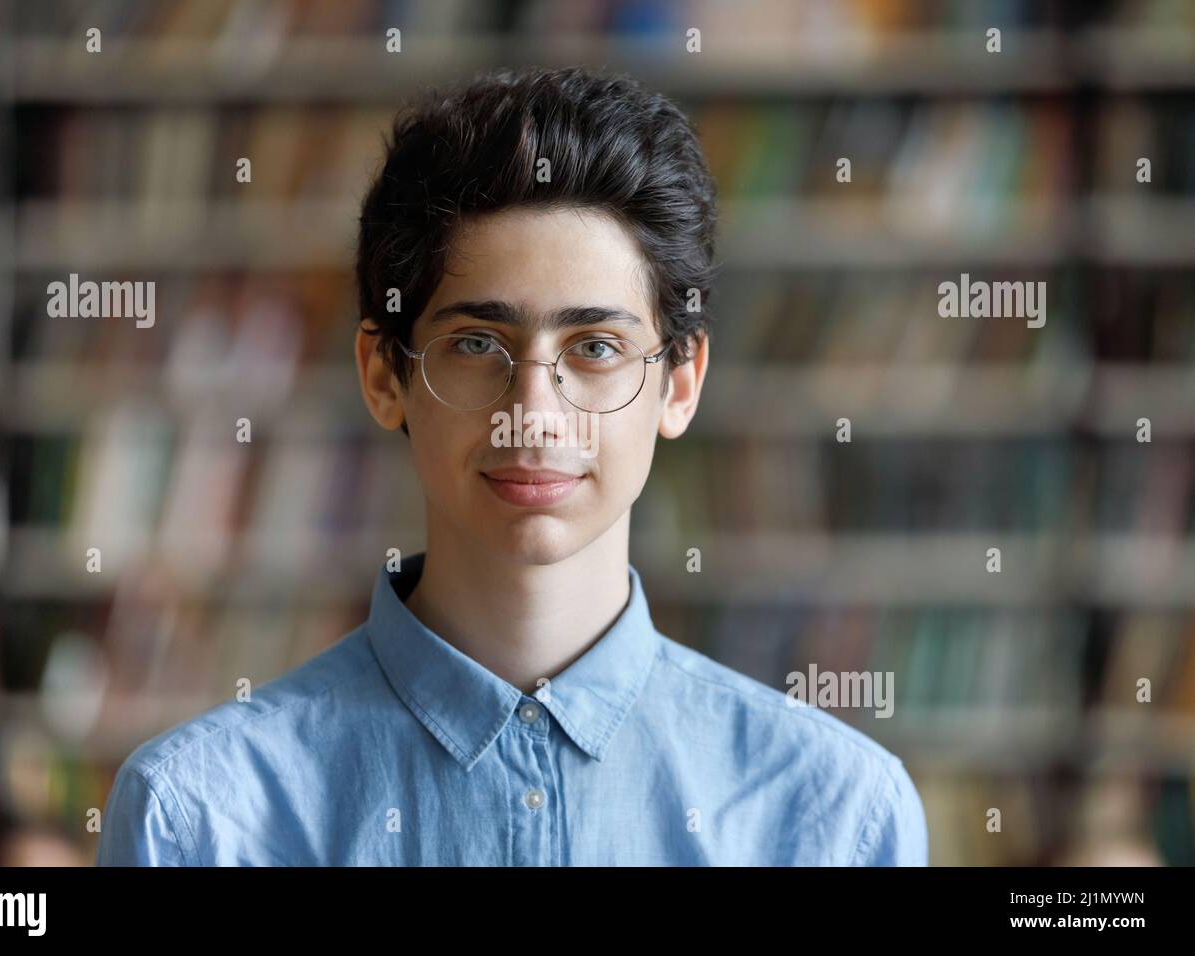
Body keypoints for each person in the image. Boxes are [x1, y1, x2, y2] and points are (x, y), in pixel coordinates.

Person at [97, 65, 927, 866]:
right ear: (385, 375)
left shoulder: (836, 818)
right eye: (475, 344)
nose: (533, 413)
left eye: (596, 347)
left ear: (679, 384)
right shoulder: (199, 819)